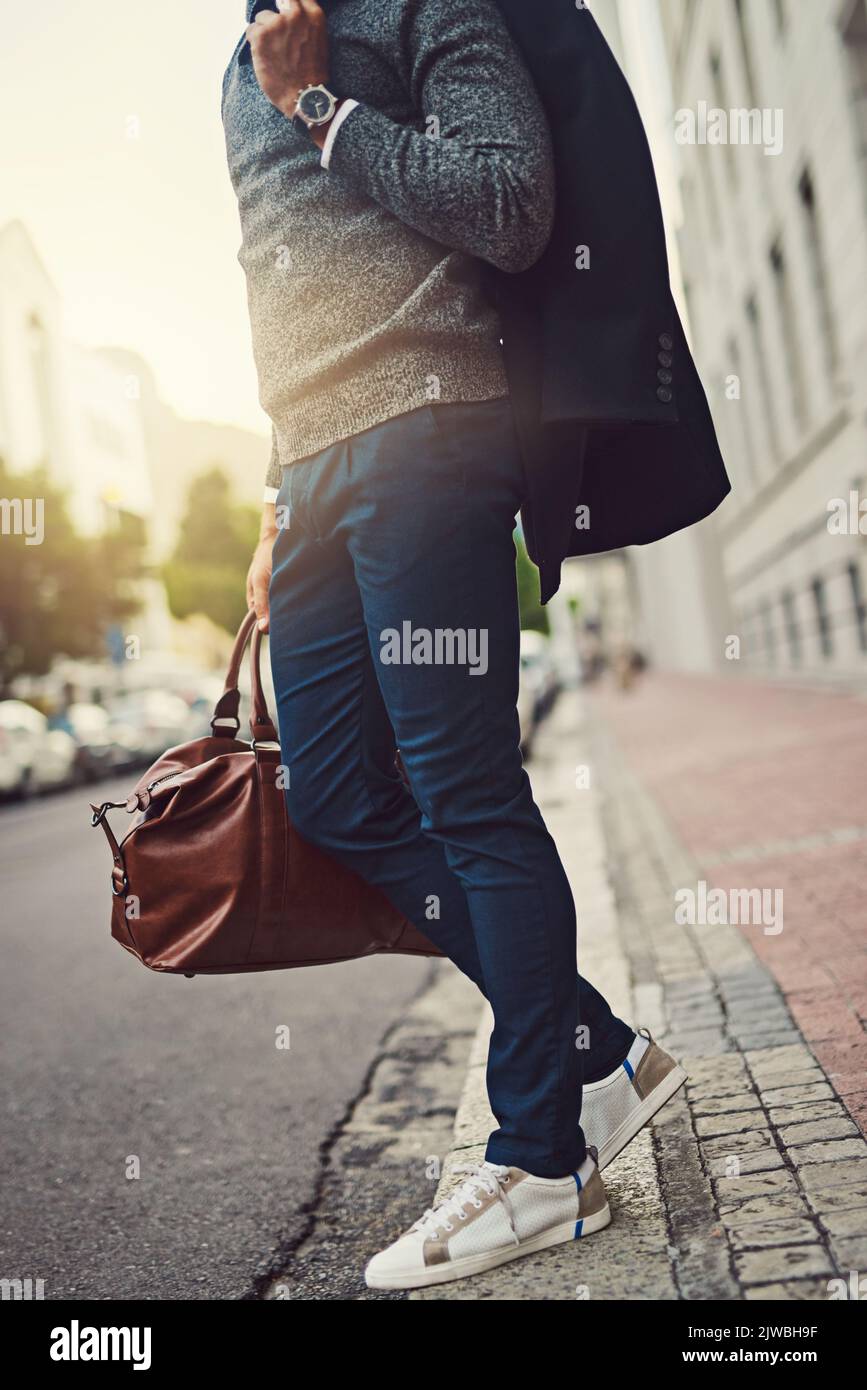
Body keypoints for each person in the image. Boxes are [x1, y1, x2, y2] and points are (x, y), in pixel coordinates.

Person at [223, 0, 685, 1291]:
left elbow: (510, 202)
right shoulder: (238, 50)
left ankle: (542, 1159)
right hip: (309, 469)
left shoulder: (423, 6)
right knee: (335, 791)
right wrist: (275, 489)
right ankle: (596, 1049)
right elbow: (287, 272)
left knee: (468, 789)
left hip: (430, 428)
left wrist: (322, 108)